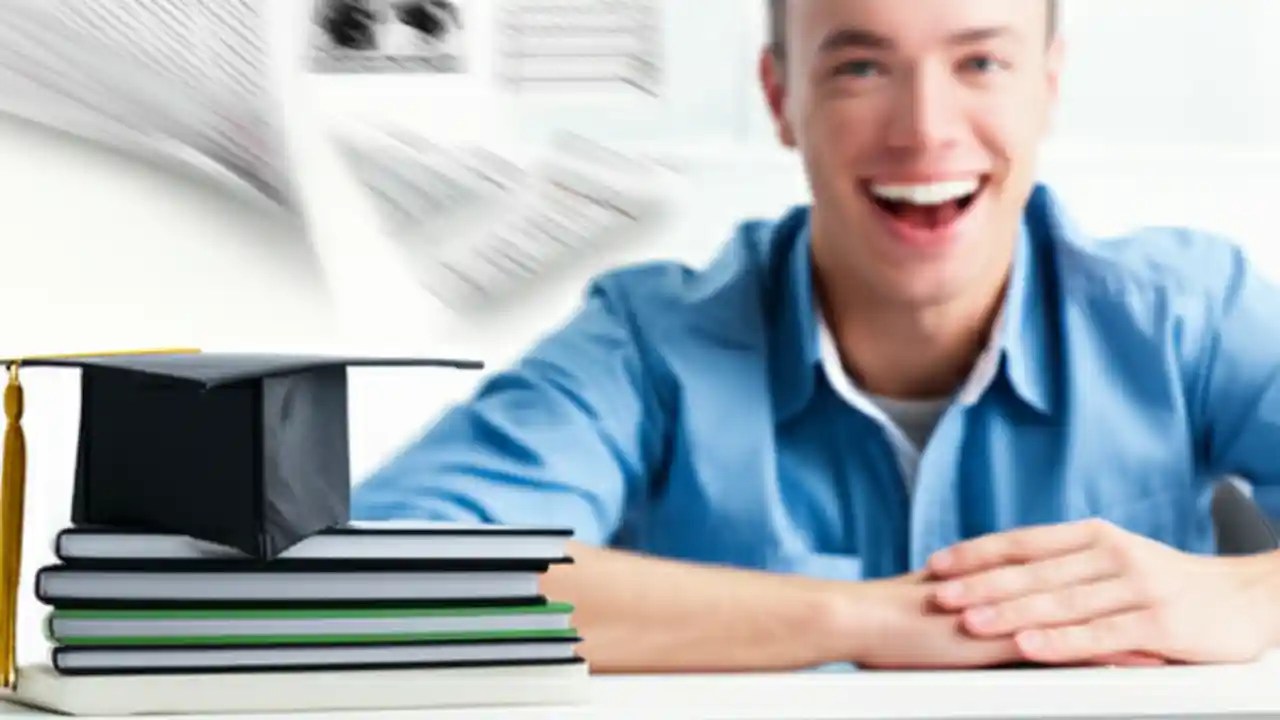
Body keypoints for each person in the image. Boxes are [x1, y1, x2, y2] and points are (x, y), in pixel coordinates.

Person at [353, 0, 1280, 672]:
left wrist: (1241, 597)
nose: (924, 131)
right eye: (860, 66)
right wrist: (866, 621)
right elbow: (383, 581)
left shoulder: (1186, 312)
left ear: (1048, 87)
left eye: (980, 63)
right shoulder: (650, 343)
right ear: (781, 97)